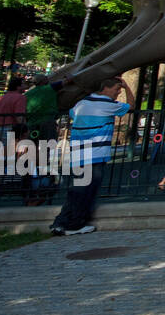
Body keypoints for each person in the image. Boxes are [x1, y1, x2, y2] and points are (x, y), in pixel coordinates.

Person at [50, 76, 132, 235]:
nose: (117, 94)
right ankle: (75, 224)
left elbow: (73, 114)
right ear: (106, 88)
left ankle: (60, 222)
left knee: (76, 190)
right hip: (95, 153)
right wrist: (127, 88)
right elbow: (130, 106)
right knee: (86, 191)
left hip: (79, 151)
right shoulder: (108, 104)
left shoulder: (82, 103)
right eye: (116, 90)